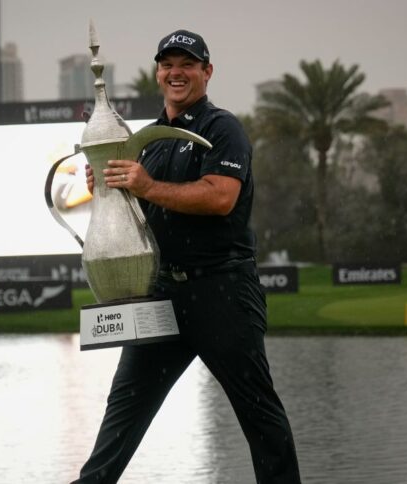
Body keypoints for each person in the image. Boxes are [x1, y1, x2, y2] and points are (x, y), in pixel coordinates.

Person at [74, 29, 301, 483]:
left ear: (206, 72)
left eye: (187, 64)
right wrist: (107, 188)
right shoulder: (149, 141)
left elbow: (220, 198)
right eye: (167, 64)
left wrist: (146, 185)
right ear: (158, 73)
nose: (176, 73)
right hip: (162, 295)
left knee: (259, 416)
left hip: (222, 292)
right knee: (123, 413)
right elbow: (138, 211)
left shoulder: (223, 128)